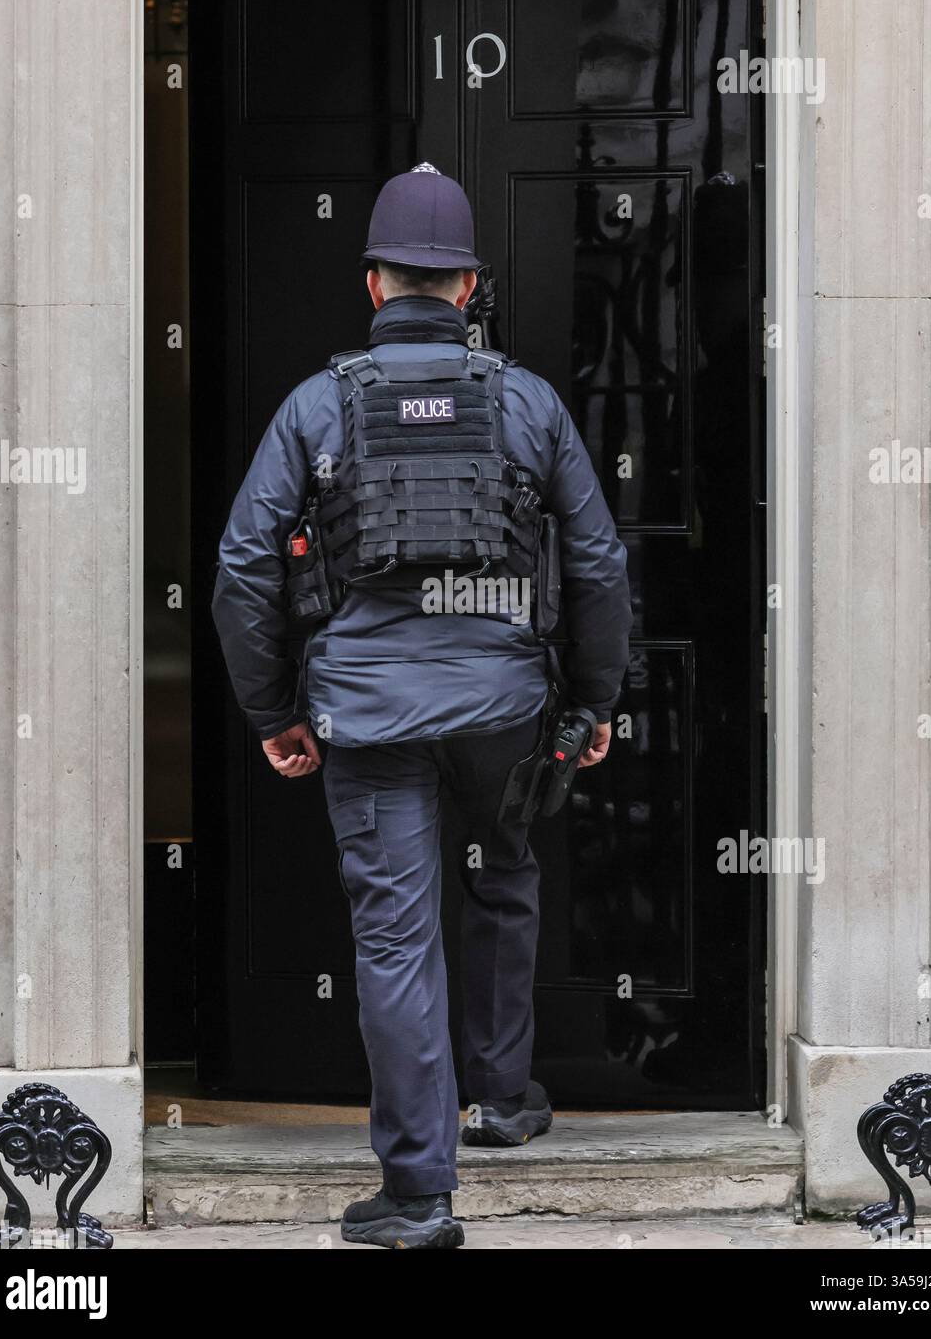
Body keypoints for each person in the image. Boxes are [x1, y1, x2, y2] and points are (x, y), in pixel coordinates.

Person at [212, 165, 632, 1249]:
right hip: (503, 706)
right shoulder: (527, 400)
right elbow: (594, 563)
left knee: (395, 937)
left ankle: (417, 1189)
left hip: (369, 714)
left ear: (373, 283)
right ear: (468, 285)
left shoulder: (320, 404)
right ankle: (498, 1095)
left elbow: (244, 570)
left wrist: (271, 712)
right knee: (503, 879)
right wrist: (589, 705)